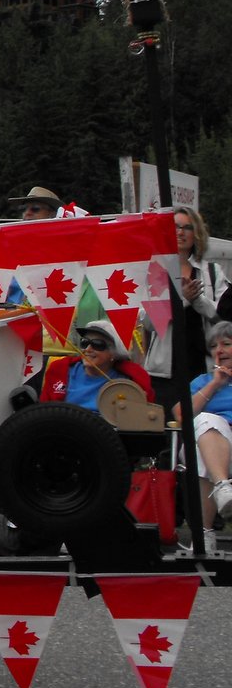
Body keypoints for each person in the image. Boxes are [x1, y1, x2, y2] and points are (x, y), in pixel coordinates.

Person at [142, 206, 225, 403]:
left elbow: (224, 316)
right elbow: (148, 323)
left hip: (204, 368)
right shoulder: (155, 270)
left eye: (187, 227)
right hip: (165, 373)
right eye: (176, 227)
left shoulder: (212, 271)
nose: (180, 232)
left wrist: (198, 300)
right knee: (169, 421)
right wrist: (184, 300)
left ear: (197, 233)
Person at [181, 321, 232, 528]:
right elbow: (180, 415)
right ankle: (222, 486)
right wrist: (215, 384)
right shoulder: (203, 381)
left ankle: (203, 534)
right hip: (205, 442)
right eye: (213, 346)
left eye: (226, 344)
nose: (218, 350)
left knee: (201, 454)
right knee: (206, 421)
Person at [41, 319, 153, 408]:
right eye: (84, 343)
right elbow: (44, 409)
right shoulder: (60, 369)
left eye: (97, 344)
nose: (88, 349)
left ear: (113, 353)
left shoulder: (130, 379)